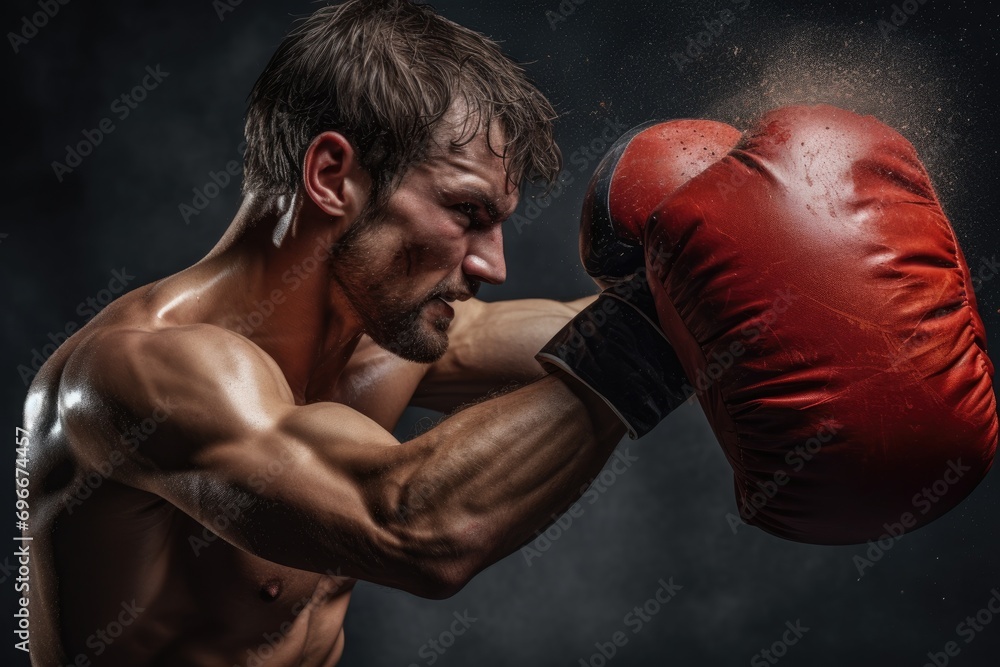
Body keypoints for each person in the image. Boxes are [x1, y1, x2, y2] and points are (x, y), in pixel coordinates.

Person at [23, 2, 684, 665]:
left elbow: (639, 326)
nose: (493, 265)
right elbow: (414, 528)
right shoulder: (133, 373)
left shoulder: (385, 336)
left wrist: (708, 268)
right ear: (332, 176)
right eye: (466, 211)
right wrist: (644, 333)